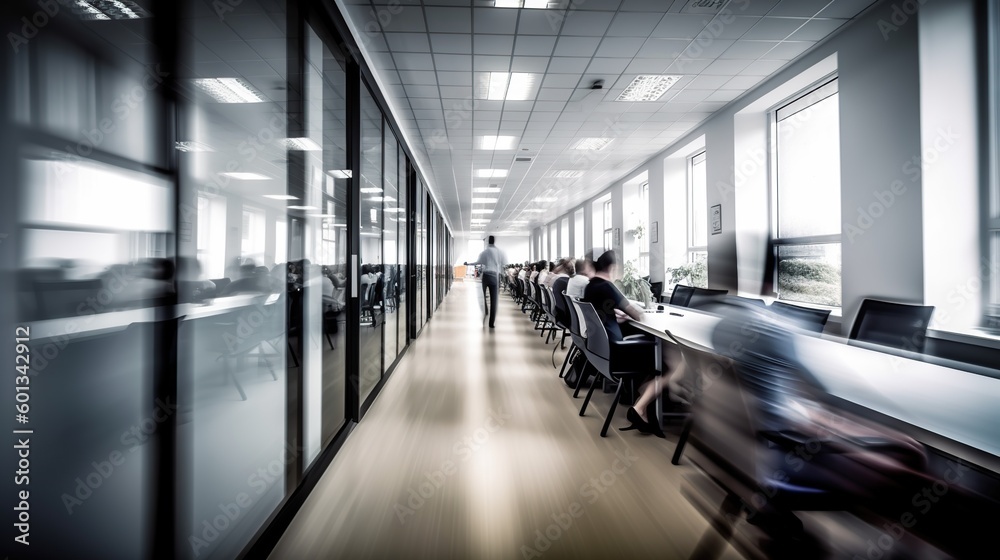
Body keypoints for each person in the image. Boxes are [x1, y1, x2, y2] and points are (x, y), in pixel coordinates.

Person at [583, 250, 665, 436]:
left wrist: (616, 316)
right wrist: (637, 312)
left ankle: (640, 395)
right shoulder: (607, 286)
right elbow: (638, 314)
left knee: (655, 351)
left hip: (600, 351)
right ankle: (642, 404)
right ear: (613, 267)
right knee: (666, 360)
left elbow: (601, 316)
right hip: (616, 353)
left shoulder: (590, 286)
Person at [466, 236, 507, 329]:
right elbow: (504, 264)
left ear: (488, 241)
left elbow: (477, 262)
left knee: (482, 297)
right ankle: (491, 323)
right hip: (494, 277)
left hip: (486, 276)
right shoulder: (499, 252)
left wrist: (468, 263)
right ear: (494, 241)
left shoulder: (484, 252)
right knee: (494, 301)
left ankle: (485, 310)